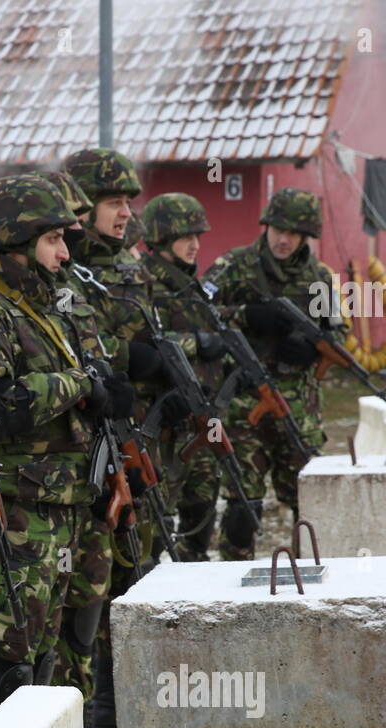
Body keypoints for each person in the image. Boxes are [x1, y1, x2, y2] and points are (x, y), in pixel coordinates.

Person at [0, 174, 132, 727]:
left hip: (59, 504)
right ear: (12, 242)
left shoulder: (33, 303)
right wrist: (80, 384)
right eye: (52, 241)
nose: (65, 254)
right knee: (7, 657)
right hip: (12, 510)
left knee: (50, 652)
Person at [58, 146, 161, 728]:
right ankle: (94, 712)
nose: (124, 214)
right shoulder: (65, 271)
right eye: (113, 202)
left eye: (128, 203)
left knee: (128, 567)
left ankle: (117, 704)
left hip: (131, 436)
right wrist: (126, 363)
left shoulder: (125, 265)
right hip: (84, 445)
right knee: (91, 585)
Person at [38, 170, 122, 728]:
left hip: (86, 479)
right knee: (32, 636)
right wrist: (81, 386)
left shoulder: (66, 289)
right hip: (32, 497)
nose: (67, 245)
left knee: (83, 622)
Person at [204, 188, 340, 560]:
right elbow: (197, 316)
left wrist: (313, 349)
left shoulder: (321, 279)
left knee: (309, 502)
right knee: (240, 507)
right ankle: (229, 590)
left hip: (298, 406)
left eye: (294, 233)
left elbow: (338, 333)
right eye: (278, 229)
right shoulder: (233, 265)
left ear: (306, 236)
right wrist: (247, 316)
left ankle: (307, 582)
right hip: (243, 404)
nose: (284, 239)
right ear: (266, 226)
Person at [140, 192, 230, 562]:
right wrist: (198, 342)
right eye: (185, 236)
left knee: (203, 510)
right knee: (159, 521)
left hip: (204, 420)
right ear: (161, 238)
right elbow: (147, 343)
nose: (195, 245)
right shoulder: (149, 284)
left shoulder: (192, 285)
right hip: (168, 426)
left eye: (198, 236)